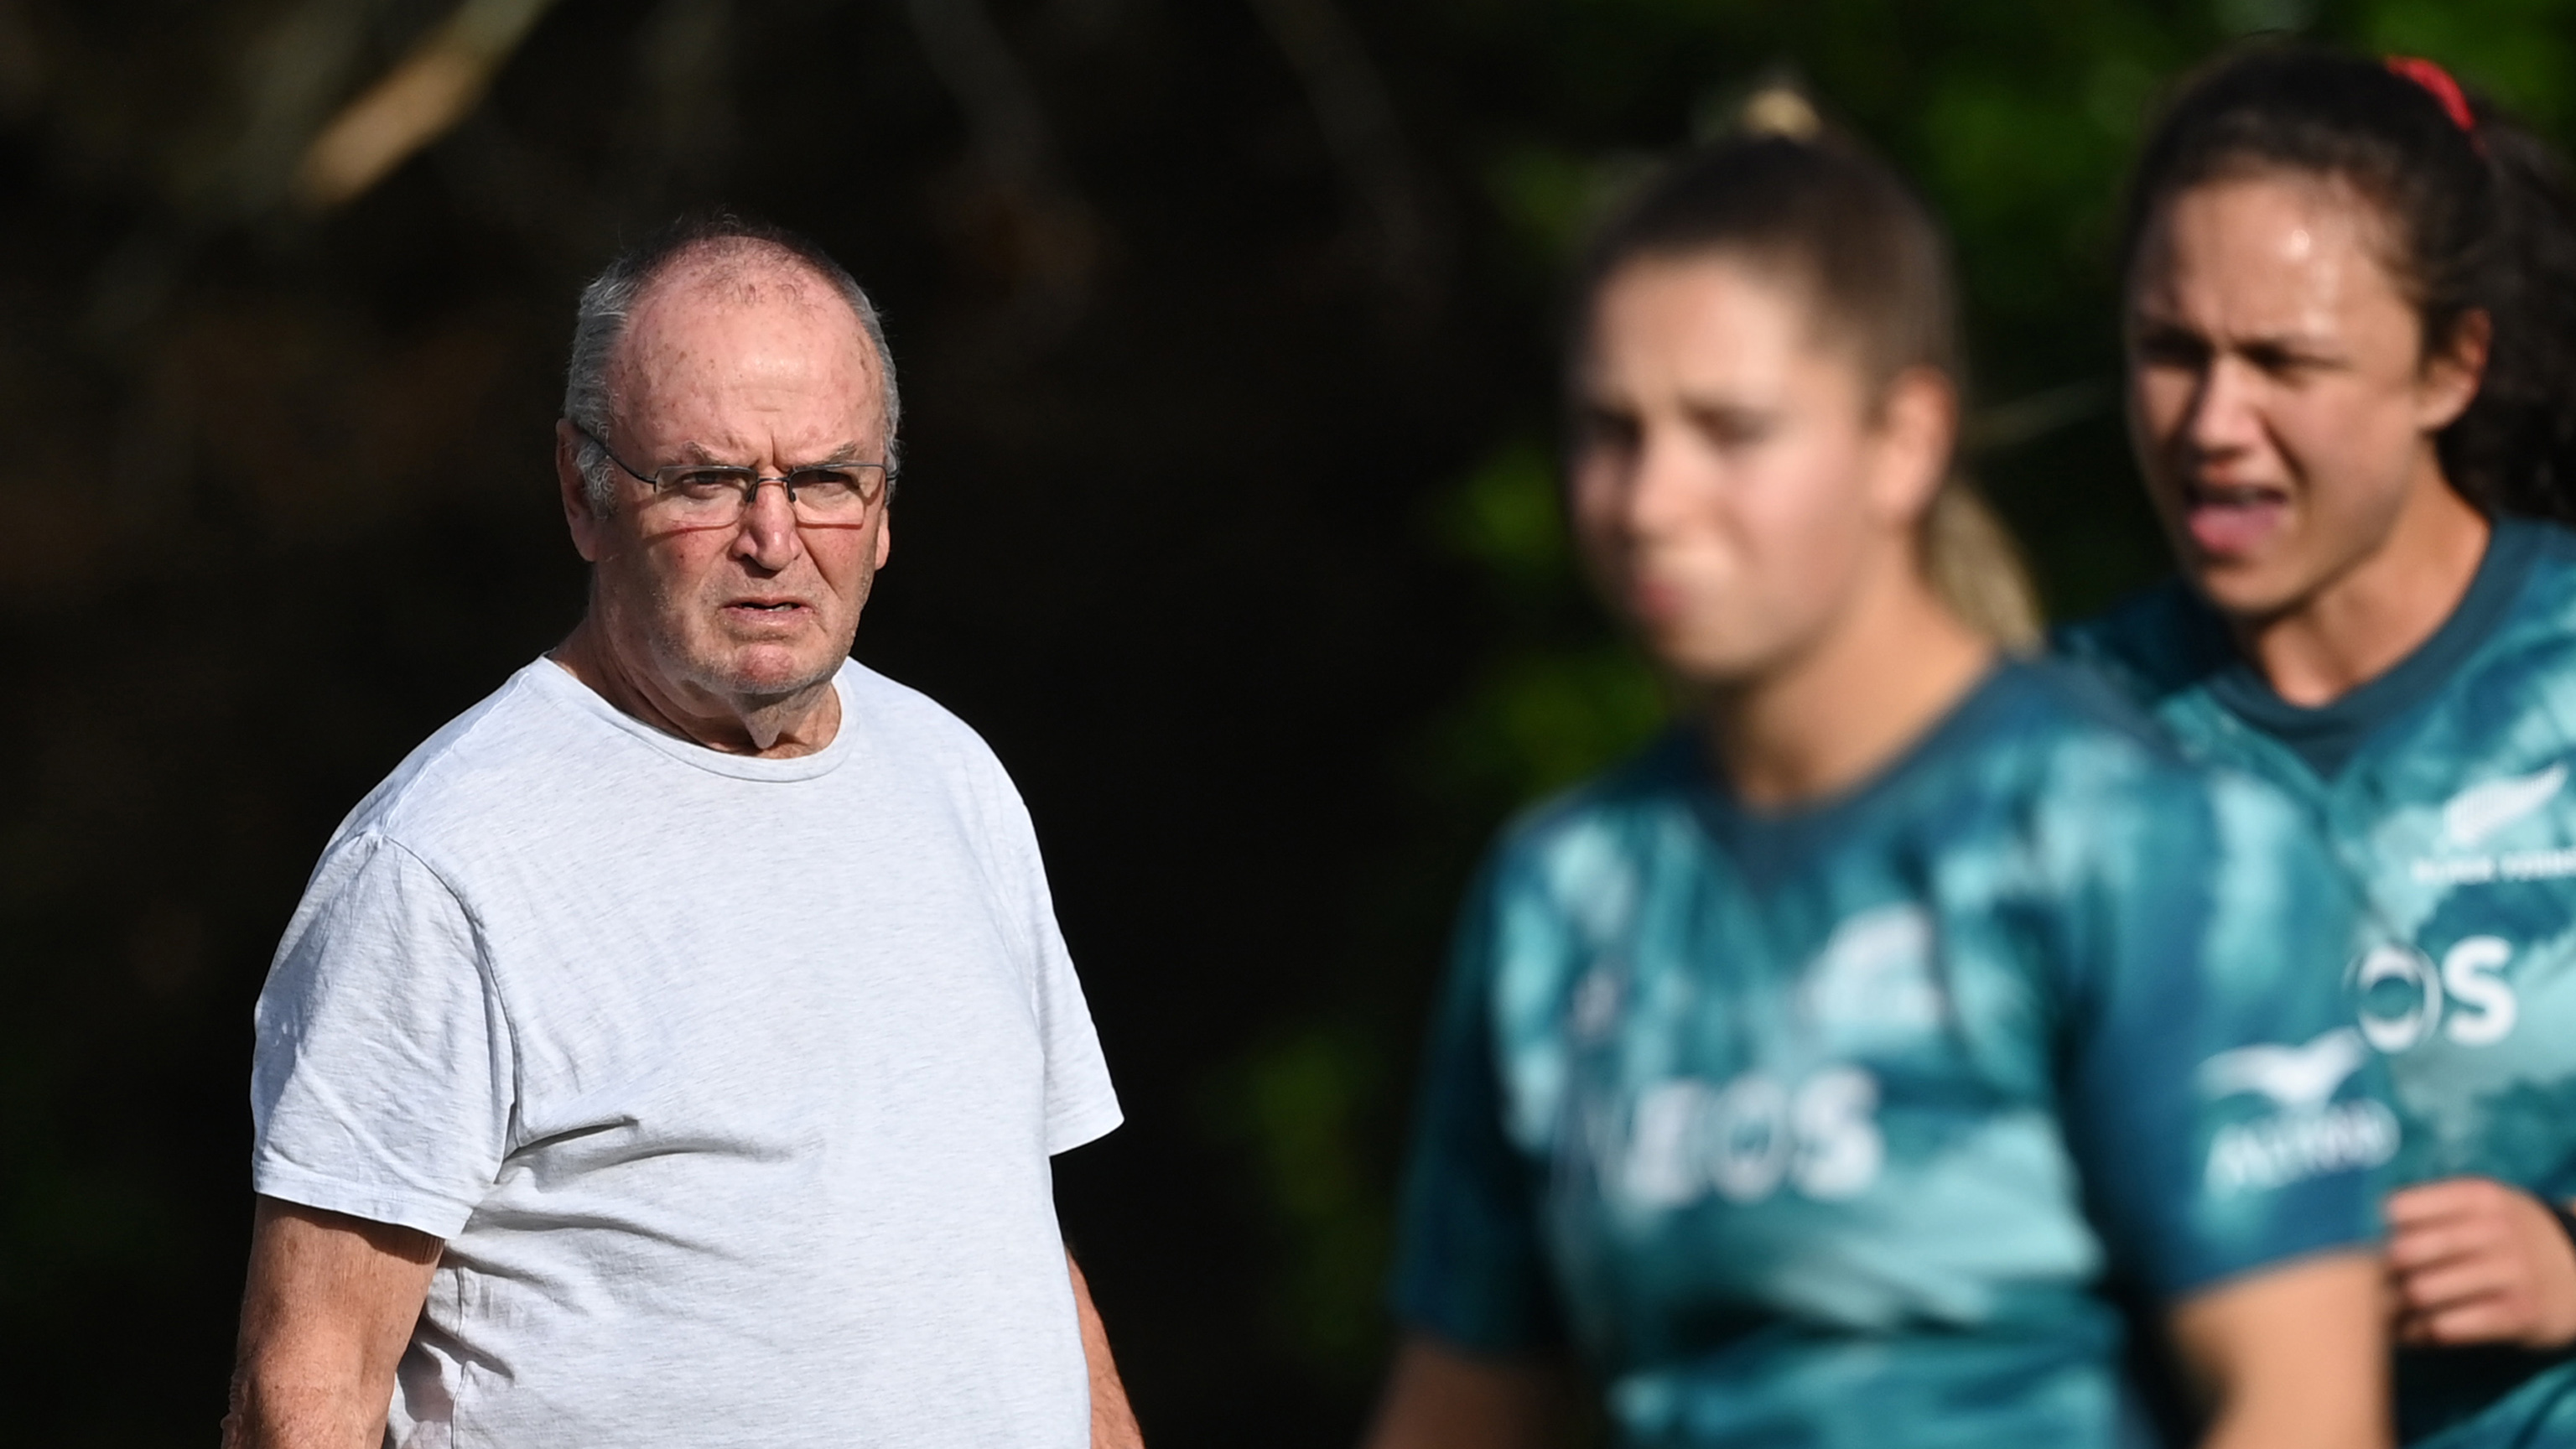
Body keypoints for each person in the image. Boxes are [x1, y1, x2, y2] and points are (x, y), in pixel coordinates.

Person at [1363, 118, 2396, 1449]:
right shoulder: (1562, 894)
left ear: (1904, 440)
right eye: (1610, 432)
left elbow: (2301, 1408)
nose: (1651, 500)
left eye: (1730, 431)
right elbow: (1455, 1414)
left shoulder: (2145, 846)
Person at [221, 214, 1142, 1448]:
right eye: (706, 480)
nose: (773, 538)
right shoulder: (442, 866)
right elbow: (305, 1392)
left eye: (824, 478)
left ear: (882, 508)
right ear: (582, 490)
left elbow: (1012, 1250)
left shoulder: (951, 775)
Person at [2058, 44, 2576, 1448]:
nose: (2215, 425)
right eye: (2172, 353)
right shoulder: (2056, 751)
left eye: (2285, 362)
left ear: (2448, 367)